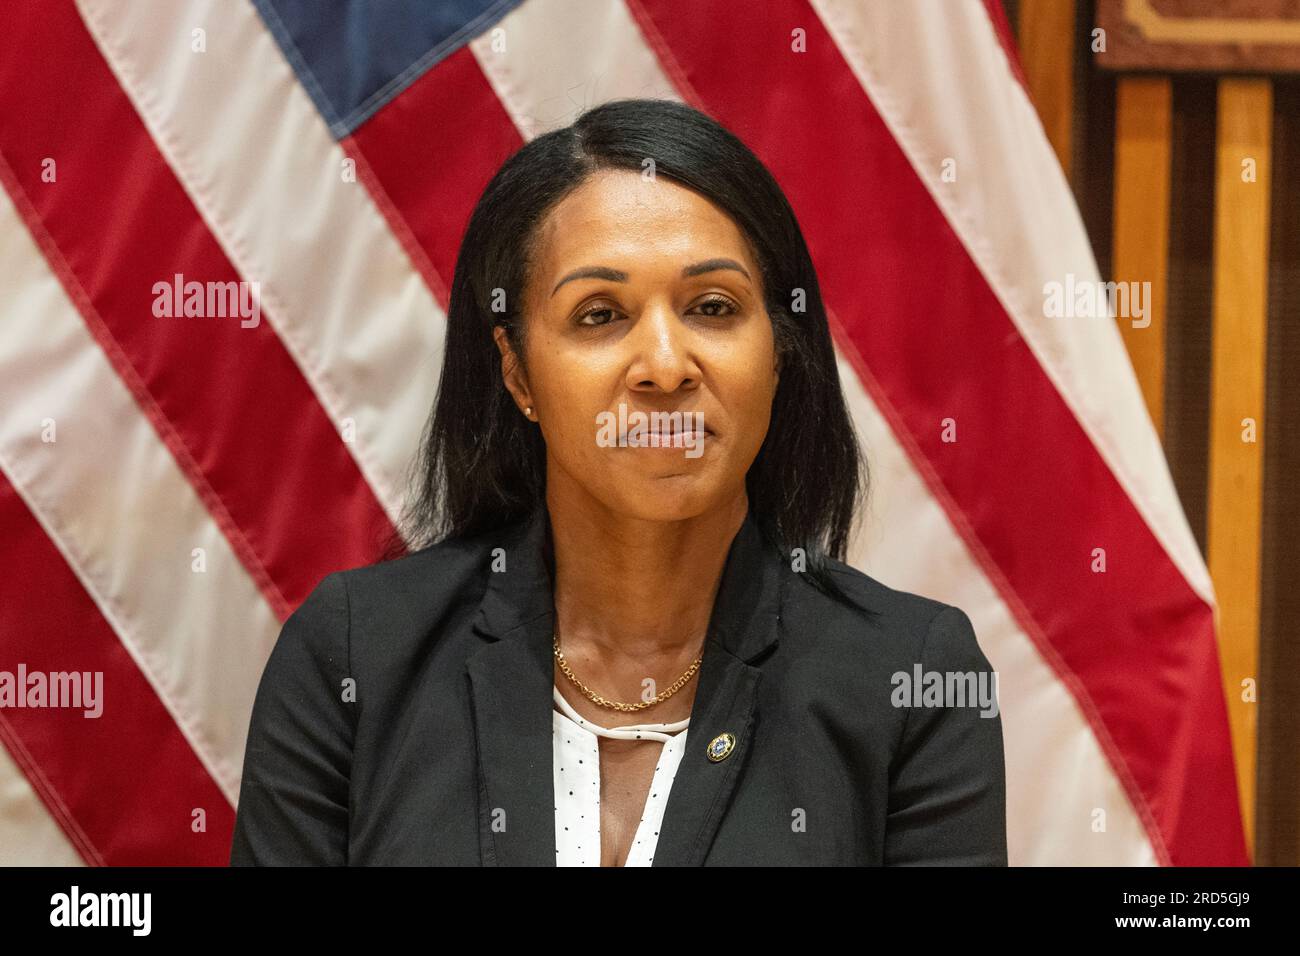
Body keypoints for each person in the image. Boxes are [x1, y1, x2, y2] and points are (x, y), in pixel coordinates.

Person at [229, 97, 1007, 866]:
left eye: (712, 306)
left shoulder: (913, 681)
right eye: (600, 315)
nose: (666, 367)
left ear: (780, 352)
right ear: (518, 373)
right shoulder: (355, 657)